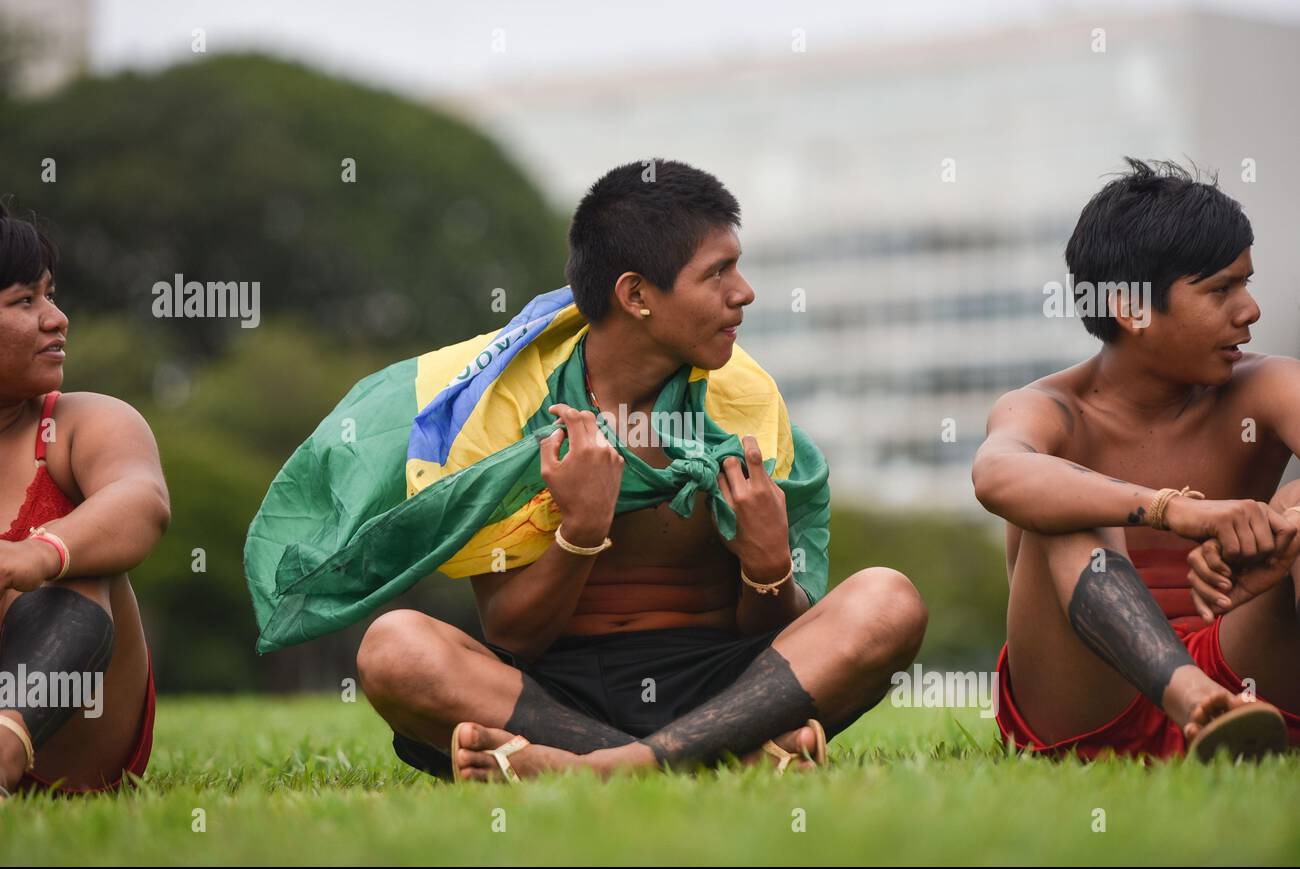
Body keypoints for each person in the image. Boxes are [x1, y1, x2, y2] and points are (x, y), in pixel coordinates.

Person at [351, 160, 928, 781]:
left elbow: (779, 634)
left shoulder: (745, 403)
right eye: (717, 272)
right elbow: (515, 637)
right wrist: (581, 529)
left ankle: (596, 768)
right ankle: (716, 763)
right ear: (636, 295)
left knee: (887, 600)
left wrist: (768, 569)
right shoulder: (510, 410)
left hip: (727, 687)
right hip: (554, 692)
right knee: (394, 647)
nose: (745, 291)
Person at [972, 158, 1300, 762]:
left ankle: (1219, 710)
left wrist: (1288, 518)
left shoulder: (1270, 388)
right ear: (1132, 310)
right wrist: (1170, 511)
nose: (1250, 310)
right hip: (1090, 699)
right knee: (1069, 500)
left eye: (1247, 283)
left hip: (1251, 677)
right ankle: (1194, 700)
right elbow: (996, 472)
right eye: (1221, 289)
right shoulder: (1048, 408)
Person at [0, 201, 170, 798]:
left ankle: (4, 744)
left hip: (75, 747)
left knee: (79, 560)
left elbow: (141, 502)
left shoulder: (81, 423)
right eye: (26, 301)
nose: (57, 319)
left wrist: (39, 553)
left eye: (50, 296)